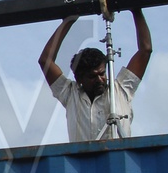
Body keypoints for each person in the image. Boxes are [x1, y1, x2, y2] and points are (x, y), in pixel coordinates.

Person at [38, 8, 152, 142]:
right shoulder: (70, 94)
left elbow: (145, 50)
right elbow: (45, 61)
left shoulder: (121, 89)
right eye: (92, 77)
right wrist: (68, 21)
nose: (99, 79)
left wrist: (136, 11)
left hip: (119, 155)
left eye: (102, 73)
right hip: (83, 157)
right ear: (79, 79)